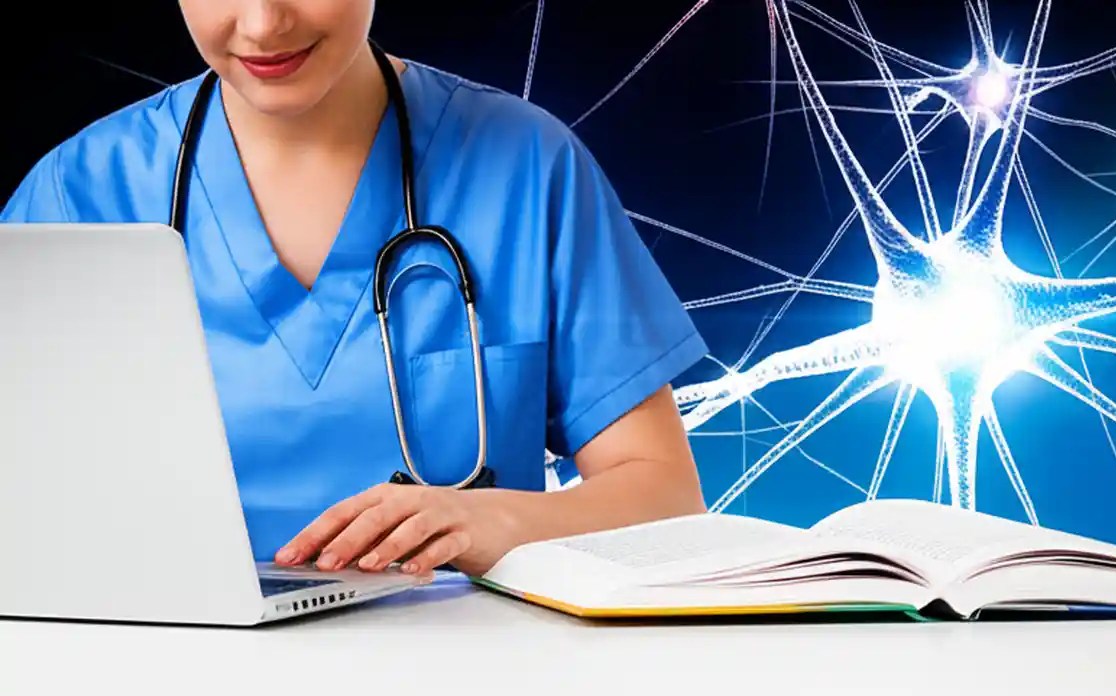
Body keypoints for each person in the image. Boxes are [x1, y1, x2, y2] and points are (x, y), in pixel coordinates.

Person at [1, 1, 708, 581]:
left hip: (478, 678)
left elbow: (667, 497)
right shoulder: (81, 192)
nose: (262, 22)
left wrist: (500, 521)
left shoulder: (527, 166)